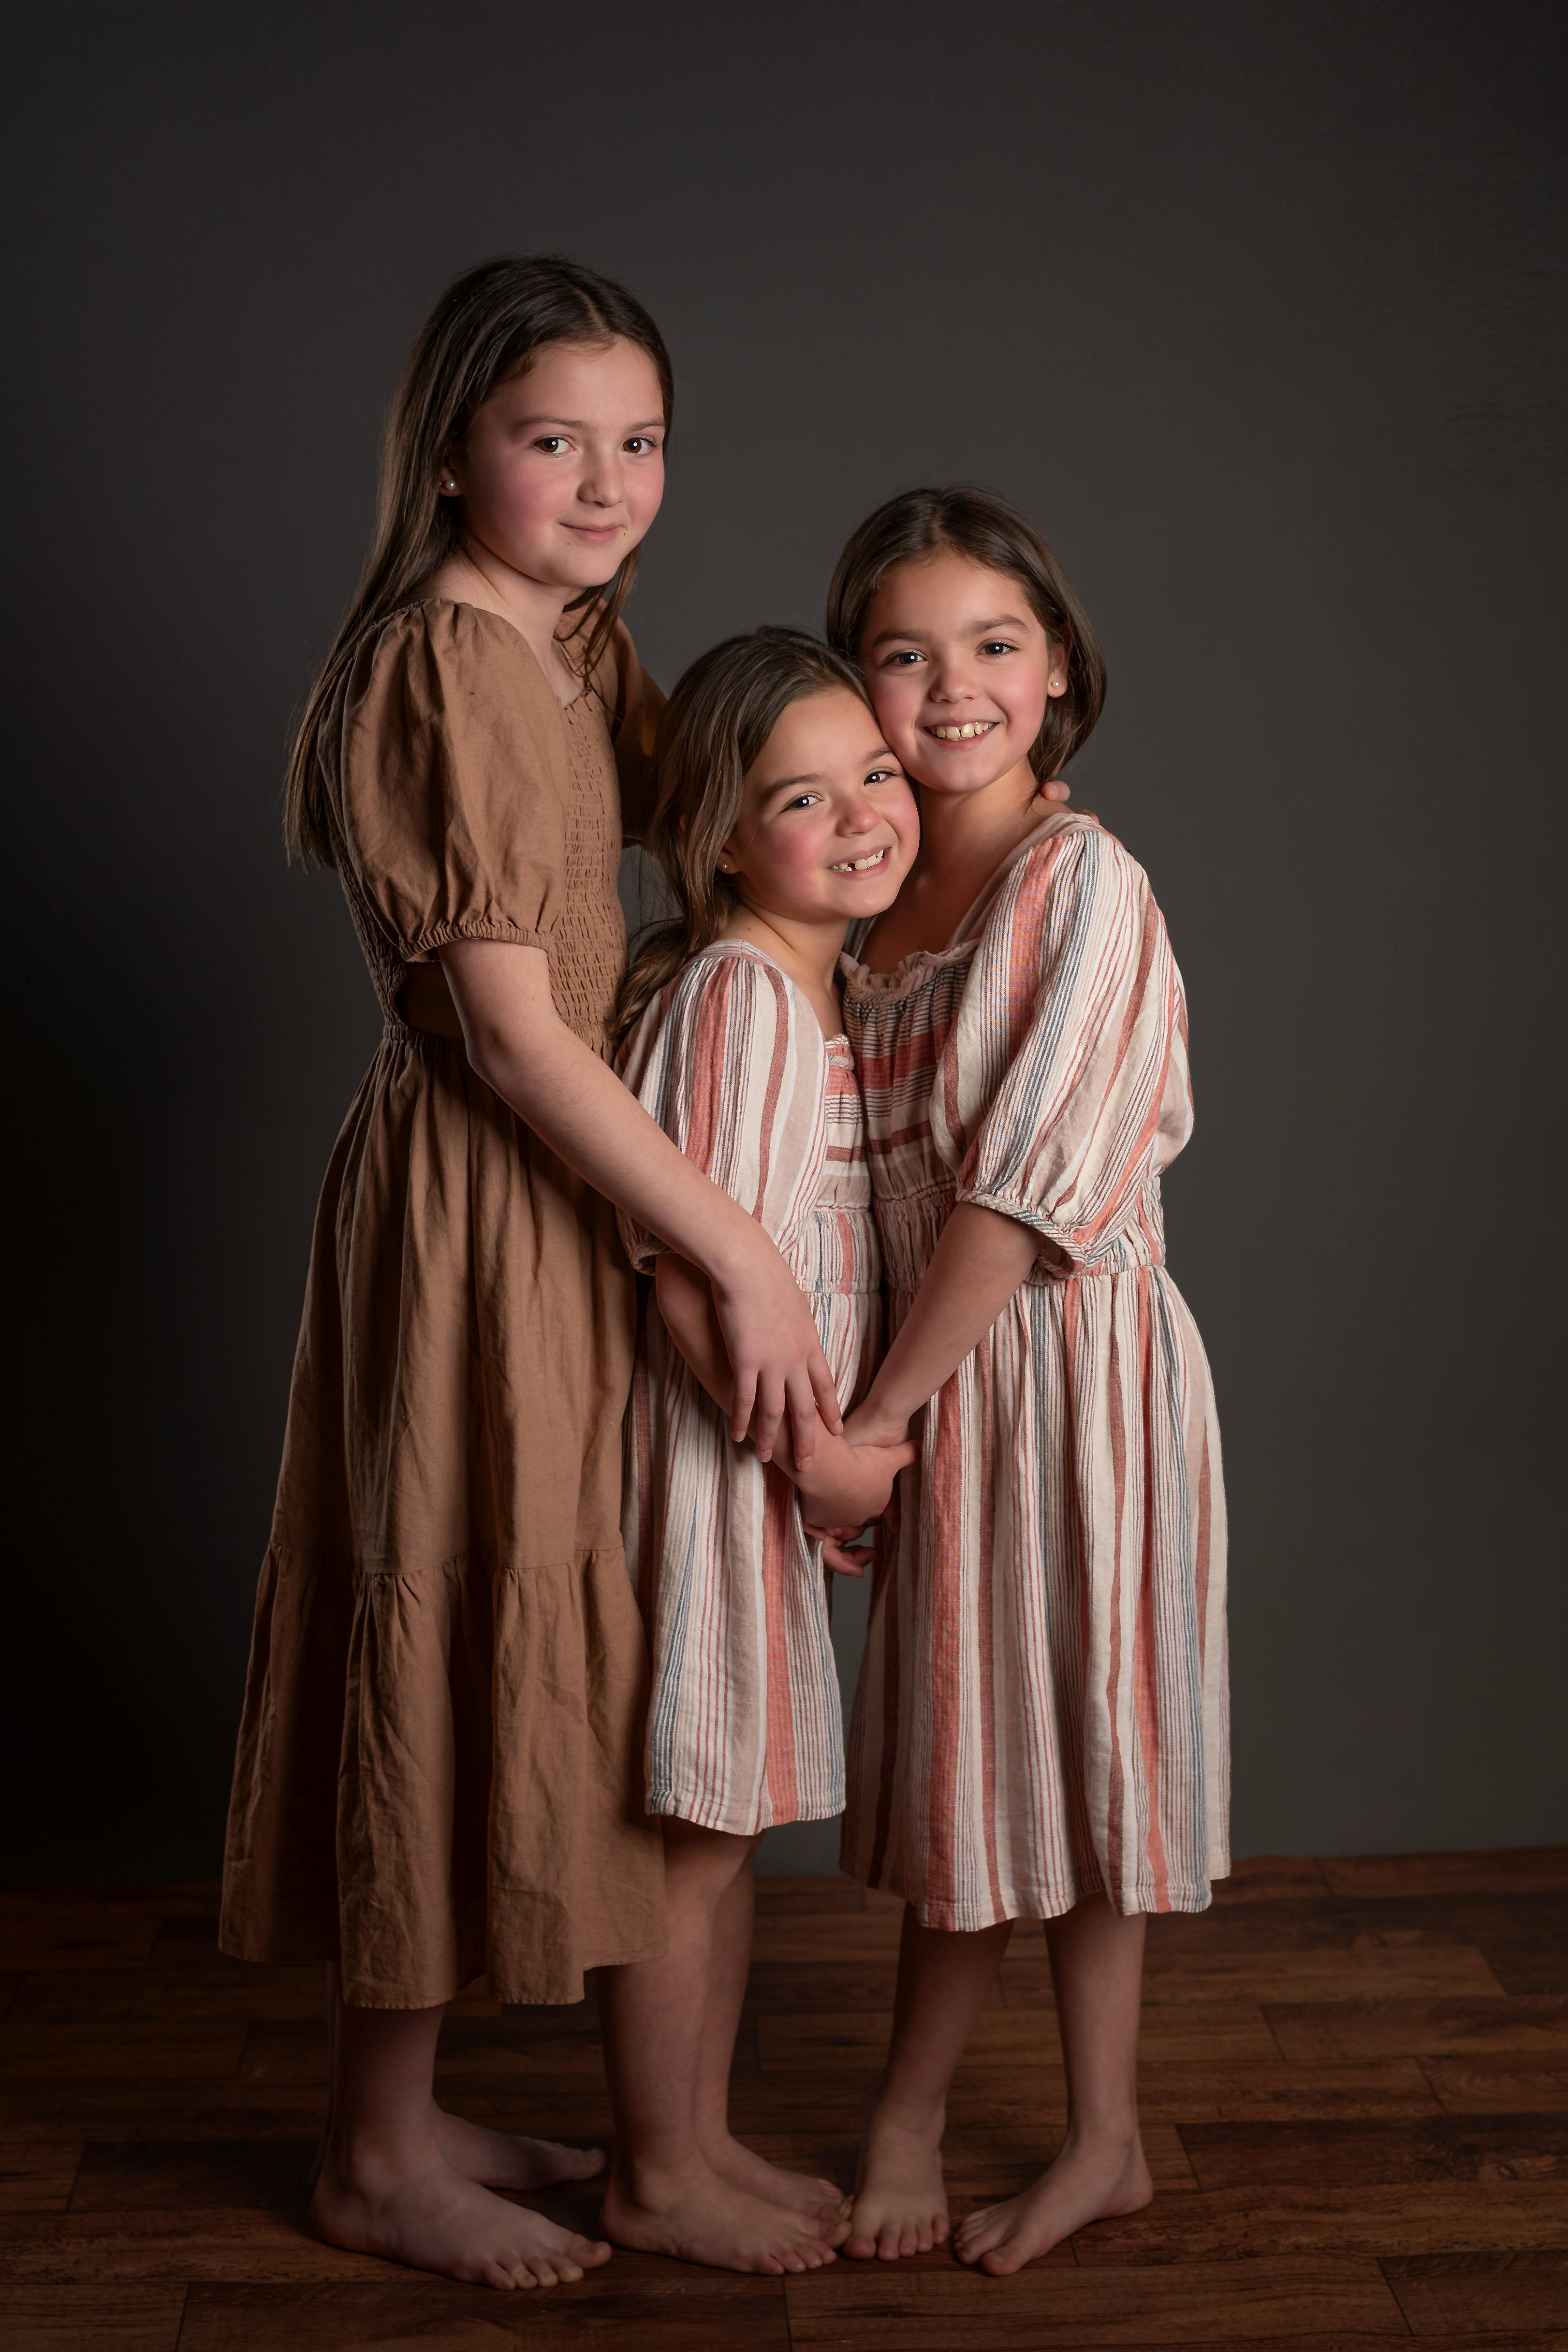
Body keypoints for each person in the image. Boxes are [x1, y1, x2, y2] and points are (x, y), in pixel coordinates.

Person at [219, 257, 841, 2294]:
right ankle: (371, 2157)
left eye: (638, 441)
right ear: (454, 451)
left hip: (569, 1202)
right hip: (489, 1207)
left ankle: (404, 2112)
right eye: (549, 438)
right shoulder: (453, 657)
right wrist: (736, 1247)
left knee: (534, 1638)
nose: (603, 480)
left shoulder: (577, 647)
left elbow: (735, 835)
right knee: (448, 1614)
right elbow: (504, 1031)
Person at [825, 488, 1231, 2273]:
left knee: (1078, 1756)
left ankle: (1093, 2134)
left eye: (991, 643)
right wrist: (863, 1405)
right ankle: (927, 2114)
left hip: (1068, 1371)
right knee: (963, 1774)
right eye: (902, 654)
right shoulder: (869, 902)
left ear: (1056, 668)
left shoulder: (1085, 880)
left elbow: (1016, 1200)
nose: (952, 686)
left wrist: (874, 1421)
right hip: (934, 1384)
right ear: (858, 684)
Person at [601, 628, 917, 2270]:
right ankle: (655, 2170)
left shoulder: (809, 988)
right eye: (808, 795)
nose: (865, 812)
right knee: (688, 1844)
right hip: (708, 1480)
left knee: (718, 1841)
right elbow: (683, 1271)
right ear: (724, 835)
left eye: (876, 771)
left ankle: (696, 2137)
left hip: (759, 1483)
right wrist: (814, 1470)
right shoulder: (739, 996)